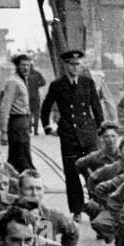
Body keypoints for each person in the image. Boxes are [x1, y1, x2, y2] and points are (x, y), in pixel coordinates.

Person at [40, 50, 105, 218]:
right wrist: (48, 128)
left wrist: (102, 130)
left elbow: (97, 108)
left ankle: (95, 209)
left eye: (78, 64)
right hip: (69, 135)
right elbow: (45, 108)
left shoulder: (87, 83)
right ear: (65, 65)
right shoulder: (57, 85)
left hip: (89, 134)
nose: (75, 68)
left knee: (93, 173)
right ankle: (76, 210)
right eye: (71, 64)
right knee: (71, 173)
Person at [85, 135, 124, 241]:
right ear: (120, 152)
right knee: (93, 211)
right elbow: (92, 180)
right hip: (115, 207)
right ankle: (111, 232)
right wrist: (103, 200)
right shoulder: (110, 169)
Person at [14, 171, 78, 246]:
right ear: (19, 191)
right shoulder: (7, 215)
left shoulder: (51, 215)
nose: (35, 193)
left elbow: (73, 230)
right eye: (29, 188)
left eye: (38, 188)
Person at [0, 54, 35, 171]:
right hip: (17, 125)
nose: (26, 68)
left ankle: (11, 185)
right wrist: (3, 132)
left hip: (22, 124)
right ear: (17, 67)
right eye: (23, 65)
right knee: (23, 159)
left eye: (28, 65)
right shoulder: (13, 82)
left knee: (15, 160)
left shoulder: (22, 81)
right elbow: (5, 107)